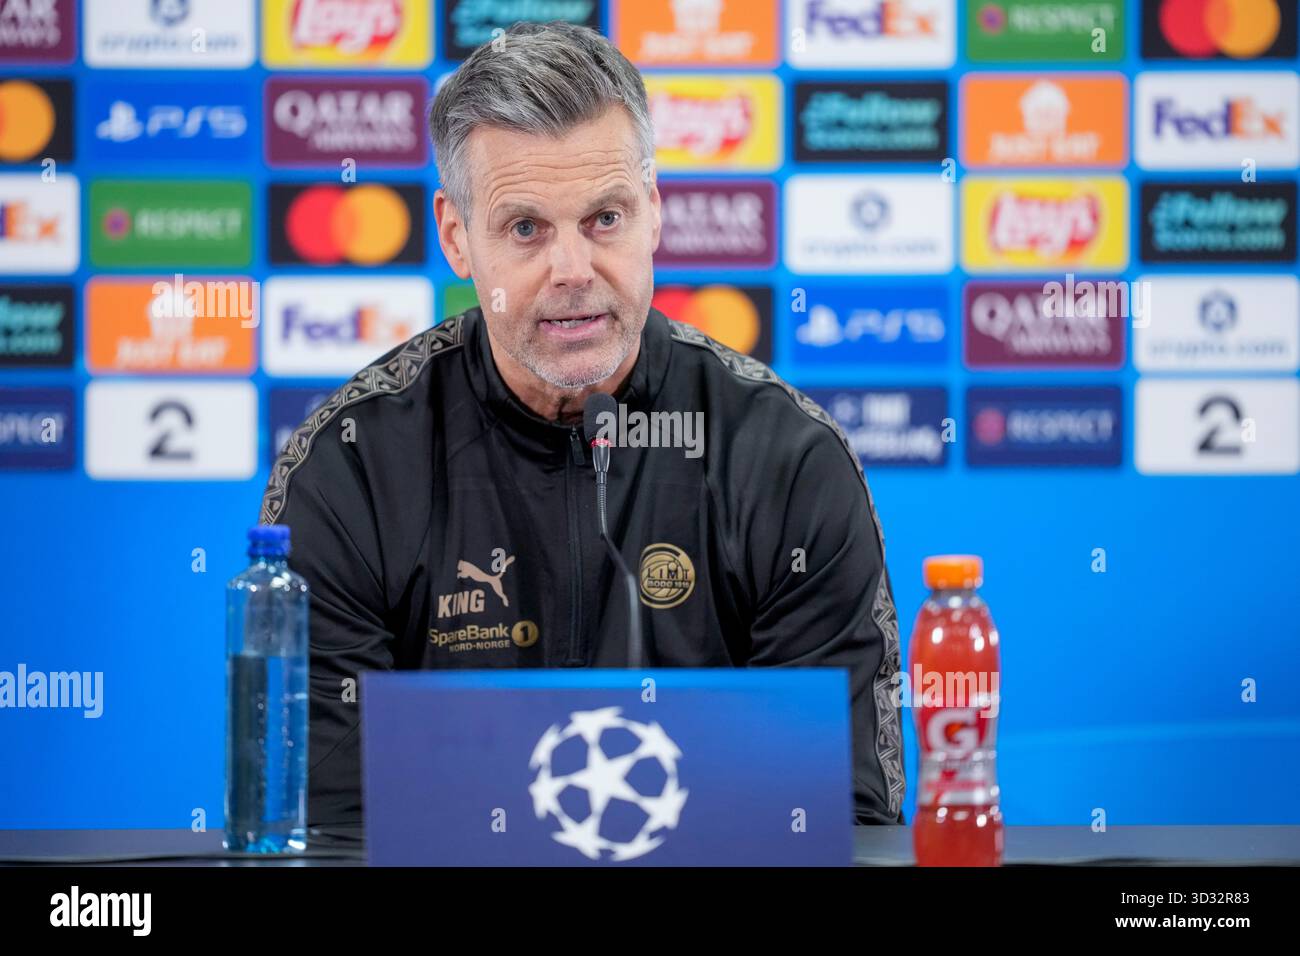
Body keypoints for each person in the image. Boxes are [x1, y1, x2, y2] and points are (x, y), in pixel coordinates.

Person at [261, 21, 905, 829]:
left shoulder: (785, 459)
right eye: (526, 228)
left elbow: (843, 824)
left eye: (605, 218)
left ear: (654, 215)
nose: (573, 270)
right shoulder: (351, 464)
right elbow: (325, 828)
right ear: (457, 237)